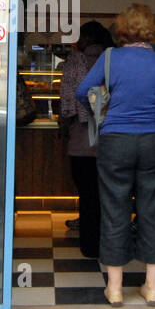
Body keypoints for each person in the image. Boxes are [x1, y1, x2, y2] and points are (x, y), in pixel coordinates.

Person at [77, 4, 155, 306]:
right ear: (152, 30)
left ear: (121, 30)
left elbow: (84, 90)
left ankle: (116, 287)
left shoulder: (110, 58)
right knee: (153, 210)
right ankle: (152, 287)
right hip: (152, 142)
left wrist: (101, 115)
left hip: (115, 141)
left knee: (114, 210)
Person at [57, 20, 113, 257]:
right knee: (109, 194)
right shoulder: (113, 60)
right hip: (111, 136)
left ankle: (90, 245)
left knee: (87, 193)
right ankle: (111, 245)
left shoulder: (74, 62)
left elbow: (67, 100)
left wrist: (64, 124)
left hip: (82, 139)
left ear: (84, 39)